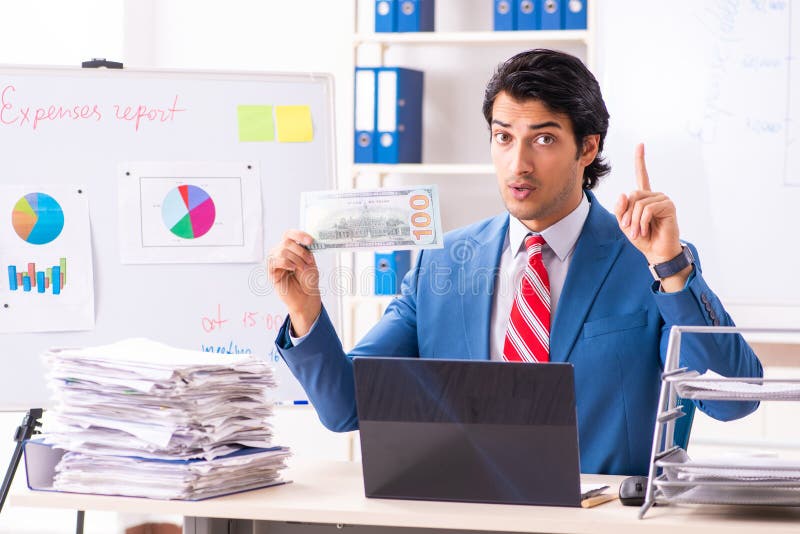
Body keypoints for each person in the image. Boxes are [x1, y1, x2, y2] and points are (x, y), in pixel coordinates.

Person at [267, 49, 763, 475]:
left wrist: (671, 268)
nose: (517, 164)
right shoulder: (442, 265)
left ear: (587, 147)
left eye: (543, 139)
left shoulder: (650, 262)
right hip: (473, 513)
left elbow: (732, 400)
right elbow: (345, 408)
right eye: (504, 137)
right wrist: (306, 311)